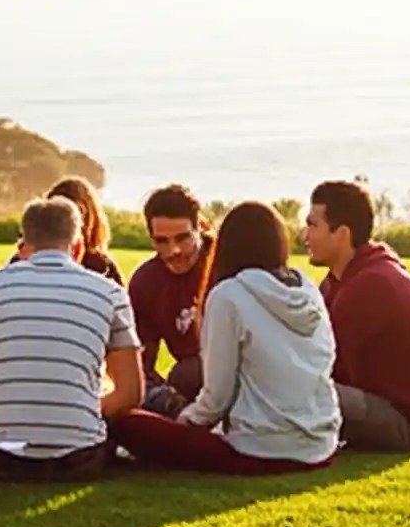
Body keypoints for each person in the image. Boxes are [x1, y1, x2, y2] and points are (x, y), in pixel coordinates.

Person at [0, 197, 144, 482]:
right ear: (77, 247)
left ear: (24, 245)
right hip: (80, 459)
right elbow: (130, 393)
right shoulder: (110, 294)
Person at [112, 202, 341, 474]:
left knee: (127, 423)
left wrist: (184, 422)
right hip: (321, 445)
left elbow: (216, 399)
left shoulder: (228, 295)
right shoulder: (308, 290)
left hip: (260, 449)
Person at [303, 180, 410, 453]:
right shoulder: (336, 281)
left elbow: (318, 363)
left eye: (312, 225)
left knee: (301, 389)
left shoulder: (373, 285)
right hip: (382, 405)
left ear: (341, 234)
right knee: (298, 386)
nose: (304, 235)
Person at [127, 184, 213, 415]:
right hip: (188, 388)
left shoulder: (224, 263)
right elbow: (139, 366)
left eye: (183, 238)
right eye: (161, 241)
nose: (173, 250)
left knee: (188, 372)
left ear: (201, 228)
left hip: (241, 374)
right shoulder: (146, 282)